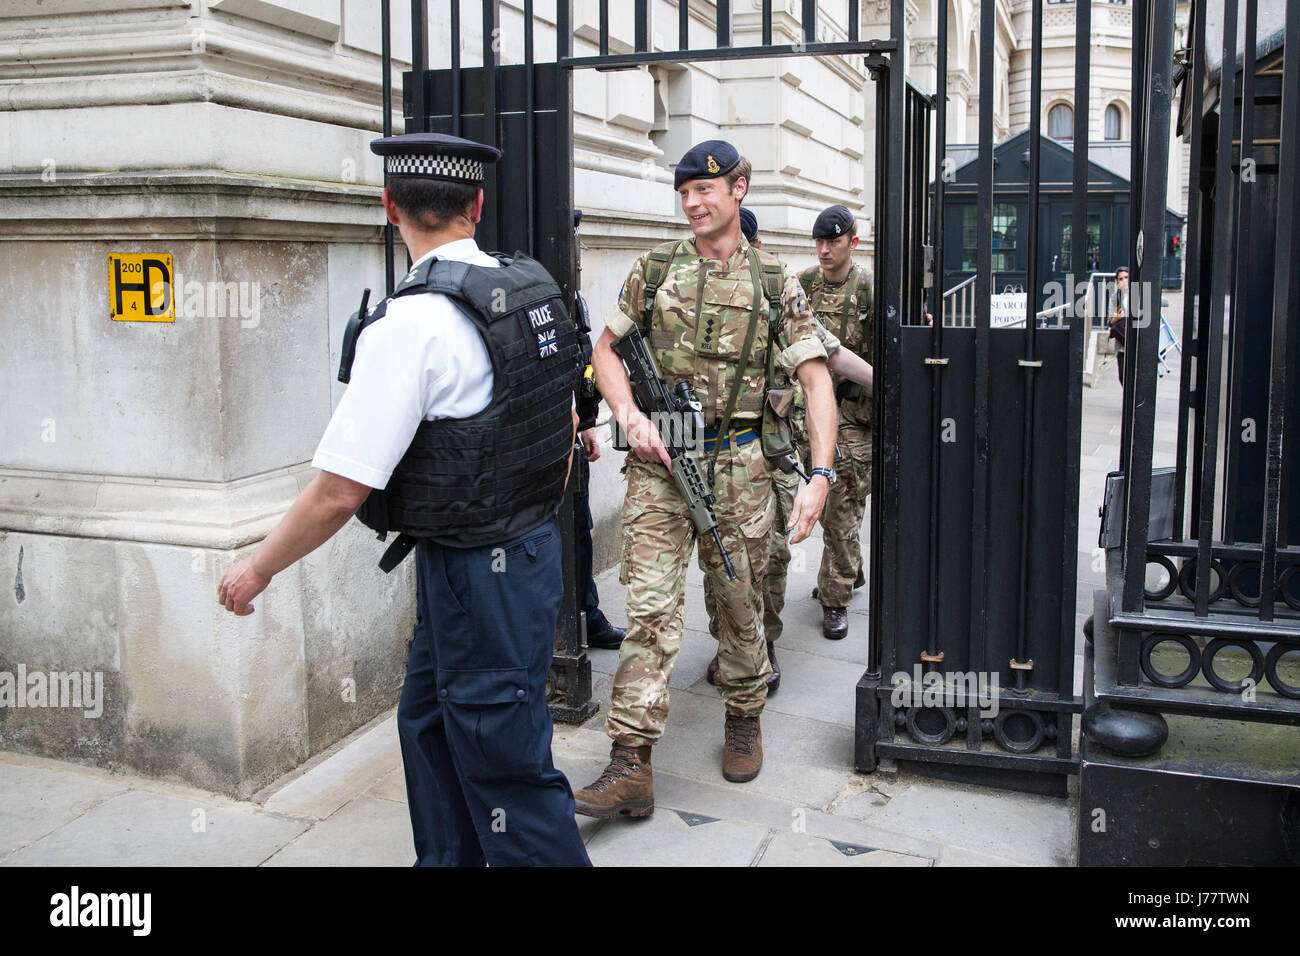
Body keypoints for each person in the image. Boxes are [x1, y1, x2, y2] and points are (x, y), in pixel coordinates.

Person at [216, 132, 591, 867]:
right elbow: (567, 418)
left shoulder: (411, 325)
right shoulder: (532, 289)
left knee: (506, 766)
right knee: (427, 722)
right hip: (522, 551)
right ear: (477, 205)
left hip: (481, 572)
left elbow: (338, 491)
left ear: (390, 206)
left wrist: (256, 570)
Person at [572, 140, 838, 818]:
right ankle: (631, 760)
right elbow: (604, 352)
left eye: (705, 189)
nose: (692, 202)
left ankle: (744, 715)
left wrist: (821, 474)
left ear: (739, 189)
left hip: (742, 462)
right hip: (662, 465)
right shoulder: (655, 268)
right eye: (684, 192)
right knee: (651, 611)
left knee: (740, 602)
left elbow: (815, 378)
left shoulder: (777, 281)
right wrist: (628, 414)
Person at [701, 208, 877, 693]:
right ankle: (731, 641)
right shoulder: (690, 291)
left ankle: (766, 642)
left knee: (772, 553)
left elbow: (830, 353)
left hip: (775, 448)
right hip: (714, 455)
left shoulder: (779, 292)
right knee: (720, 558)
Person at [797, 205, 874, 641]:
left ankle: (835, 599)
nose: (825, 250)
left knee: (841, 504)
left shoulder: (867, 287)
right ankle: (850, 570)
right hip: (811, 410)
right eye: (820, 242)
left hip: (853, 416)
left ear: (852, 242)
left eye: (834, 241)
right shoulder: (805, 283)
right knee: (826, 508)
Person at [1108, 265, 1129, 386]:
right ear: (1117, 281)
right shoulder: (1114, 298)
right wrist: (1115, 318)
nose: (1124, 281)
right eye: (1121, 279)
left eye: (1126, 277)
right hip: (1122, 345)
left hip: (1136, 345)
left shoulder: (1139, 294)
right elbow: (1109, 322)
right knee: (1123, 378)